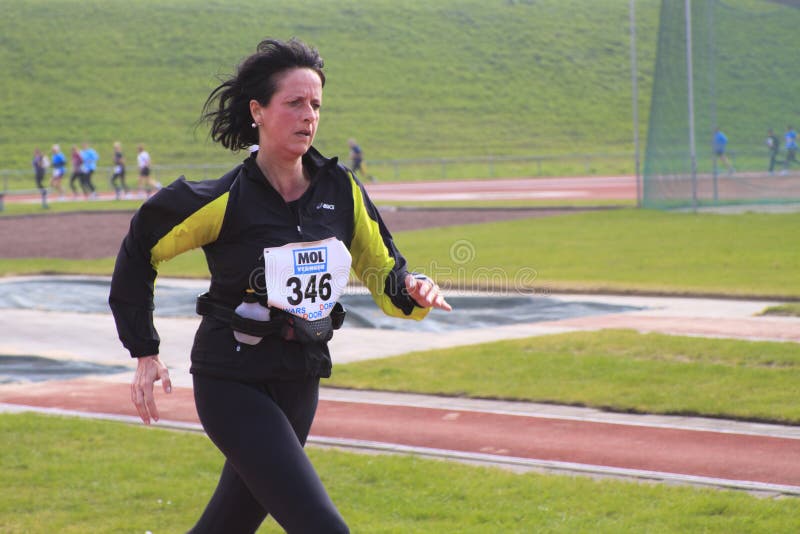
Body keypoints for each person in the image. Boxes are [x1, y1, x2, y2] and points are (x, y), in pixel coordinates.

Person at [108, 38, 451, 534]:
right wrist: (144, 349)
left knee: (228, 525)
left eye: (315, 105)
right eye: (294, 103)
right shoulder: (222, 200)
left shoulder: (341, 190)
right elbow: (140, 248)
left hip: (300, 378)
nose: (308, 115)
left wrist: (414, 287)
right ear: (258, 111)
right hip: (232, 380)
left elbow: (385, 273)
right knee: (321, 526)